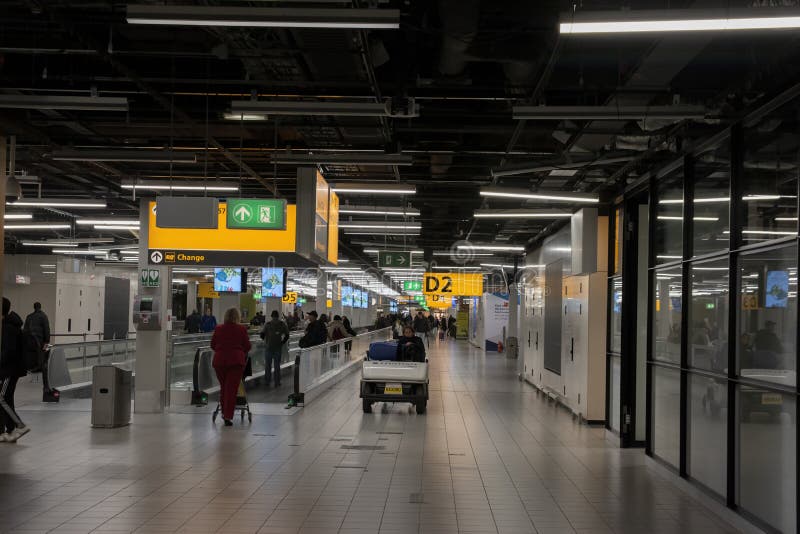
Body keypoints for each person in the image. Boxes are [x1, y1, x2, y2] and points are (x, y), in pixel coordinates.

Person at [211, 308, 251, 426]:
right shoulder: (241, 329)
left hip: (219, 362)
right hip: (235, 362)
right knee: (231, 389)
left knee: (224, 388)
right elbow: (247, 346)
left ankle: (224, 413)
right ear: (237, 317)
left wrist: (222, 350)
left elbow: (213, 345)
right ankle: (227, 416)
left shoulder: (218, 328)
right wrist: (239, 351)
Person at [1, 298, 30, 442]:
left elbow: (8, 351)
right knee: (6, 397)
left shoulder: (8, 328)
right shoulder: (11, 325)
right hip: (12, 368)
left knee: (1, 397)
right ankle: (10, 430)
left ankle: (19, 425)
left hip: (9, 369)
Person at [261, 310, 289, 387]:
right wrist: (282, 343)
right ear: (278, 316)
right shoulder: (282, 324)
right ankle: (277, 382)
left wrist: (265, 340)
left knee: (268, 366)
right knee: (277, 366)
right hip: (278, 348)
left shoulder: (268, 324)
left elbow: (262, 335)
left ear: (272, 316)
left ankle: (267, 381)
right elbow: (287, 335)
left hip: (268, 348)